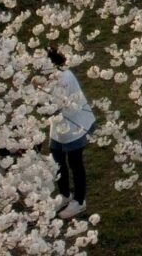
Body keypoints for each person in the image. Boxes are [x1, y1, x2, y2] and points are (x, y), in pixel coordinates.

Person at [44, 48, 94, 220]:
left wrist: (38, 101)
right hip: (59, 127)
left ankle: (79, 201)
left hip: (75, 125)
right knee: (56, 161)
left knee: (75, 162)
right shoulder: (49, 78)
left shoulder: (64, 77)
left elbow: (58, 106)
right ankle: (65, 194)